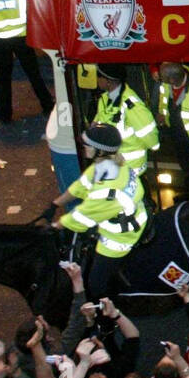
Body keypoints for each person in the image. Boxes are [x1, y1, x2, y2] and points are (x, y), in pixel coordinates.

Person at [49, 124, 147, 299]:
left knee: (95, 285)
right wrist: (55, 204)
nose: (84, 148)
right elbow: (82, 185)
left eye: (87, 145)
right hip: (121, 218)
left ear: (100, 151)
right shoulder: (109, 164)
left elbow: (83, 218)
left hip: (120, 238)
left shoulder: (109, 187)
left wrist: (56, 225)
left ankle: (106, 321)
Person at [153, 61, 189, 198]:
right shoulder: (173, 75)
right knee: (186, 166)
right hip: (176, 130)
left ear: (173, 80)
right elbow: (164, 96)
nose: (163, 82)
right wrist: (162, 112)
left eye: (166, 80)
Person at [91, 64, 159, 175]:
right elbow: (100, 121)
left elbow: (148, 133)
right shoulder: (103, 99)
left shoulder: (130, 104)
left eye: (99, 77)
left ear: (108, 81)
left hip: (132, 169)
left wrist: (154, 146)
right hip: (113, 167)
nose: (97, 80)